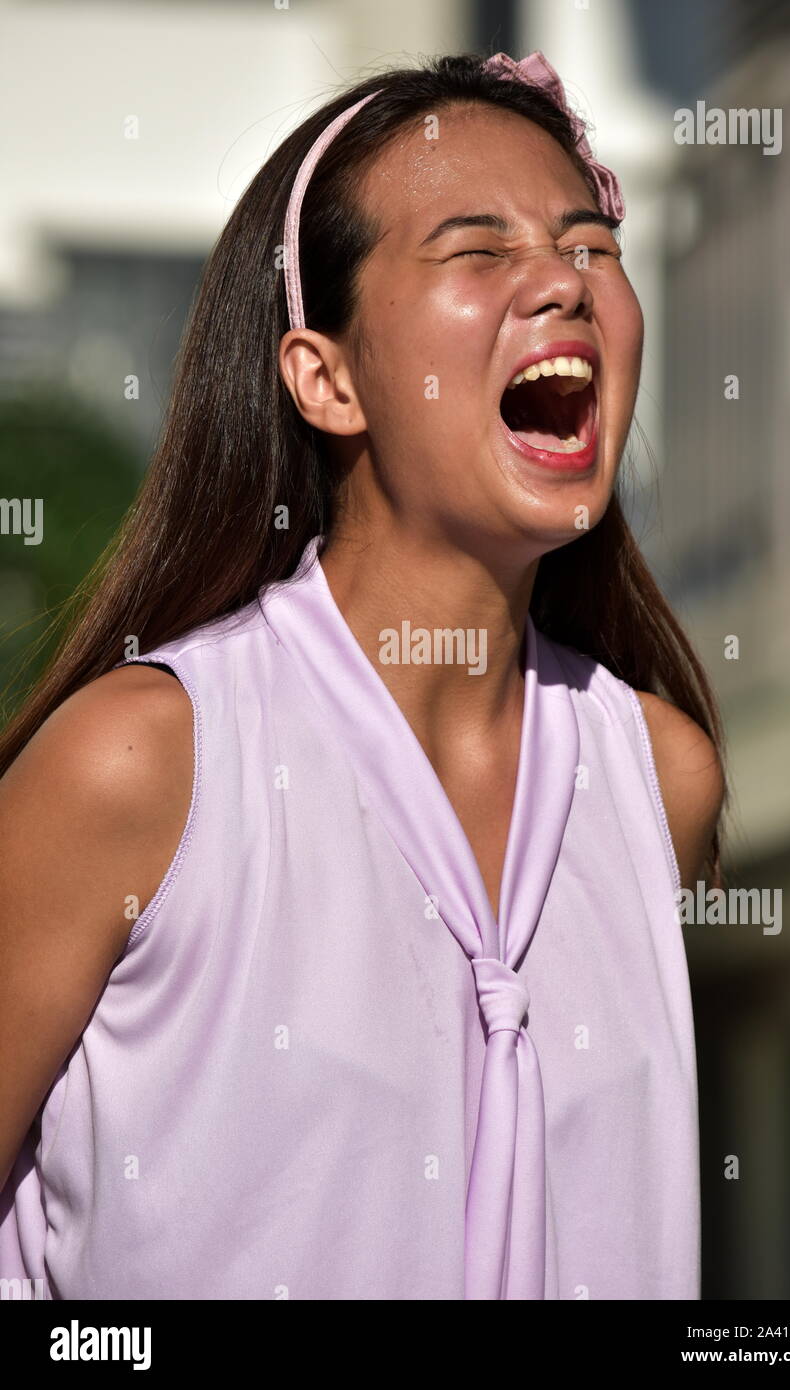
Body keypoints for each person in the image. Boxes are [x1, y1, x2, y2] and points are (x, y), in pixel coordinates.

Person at [0, 51, 726, 1300]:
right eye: (478, 250)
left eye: (589, 246)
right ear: (325, 380)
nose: (562, 282)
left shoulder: (658, 779)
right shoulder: (141, 763)